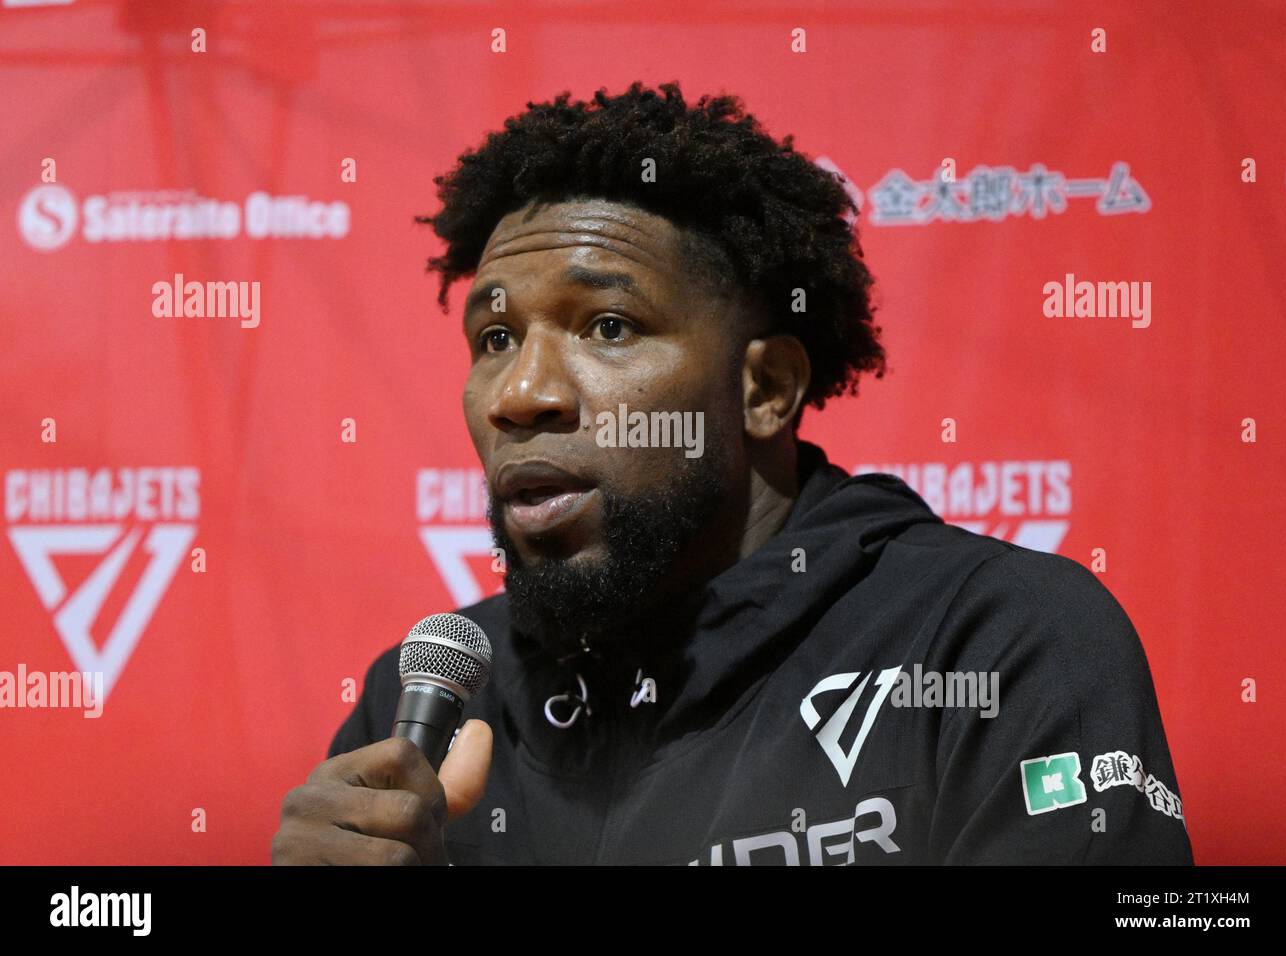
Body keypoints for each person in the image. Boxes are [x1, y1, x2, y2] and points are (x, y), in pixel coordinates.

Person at [272, 81, 1192, 865]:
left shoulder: (992, 643)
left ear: (766, 388)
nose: (521, 394)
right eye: (496, 338)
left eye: (608, 327)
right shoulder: (424, 705)